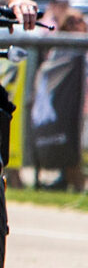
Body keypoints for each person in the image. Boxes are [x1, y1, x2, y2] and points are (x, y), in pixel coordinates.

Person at [29, 10, 86, 192]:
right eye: (71, 21)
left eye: (79, 20)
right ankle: (68, 180)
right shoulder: (59, 47)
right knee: (69, 141)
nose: (76, 25)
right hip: (69, 102)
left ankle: (77, 183)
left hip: (84, 101)